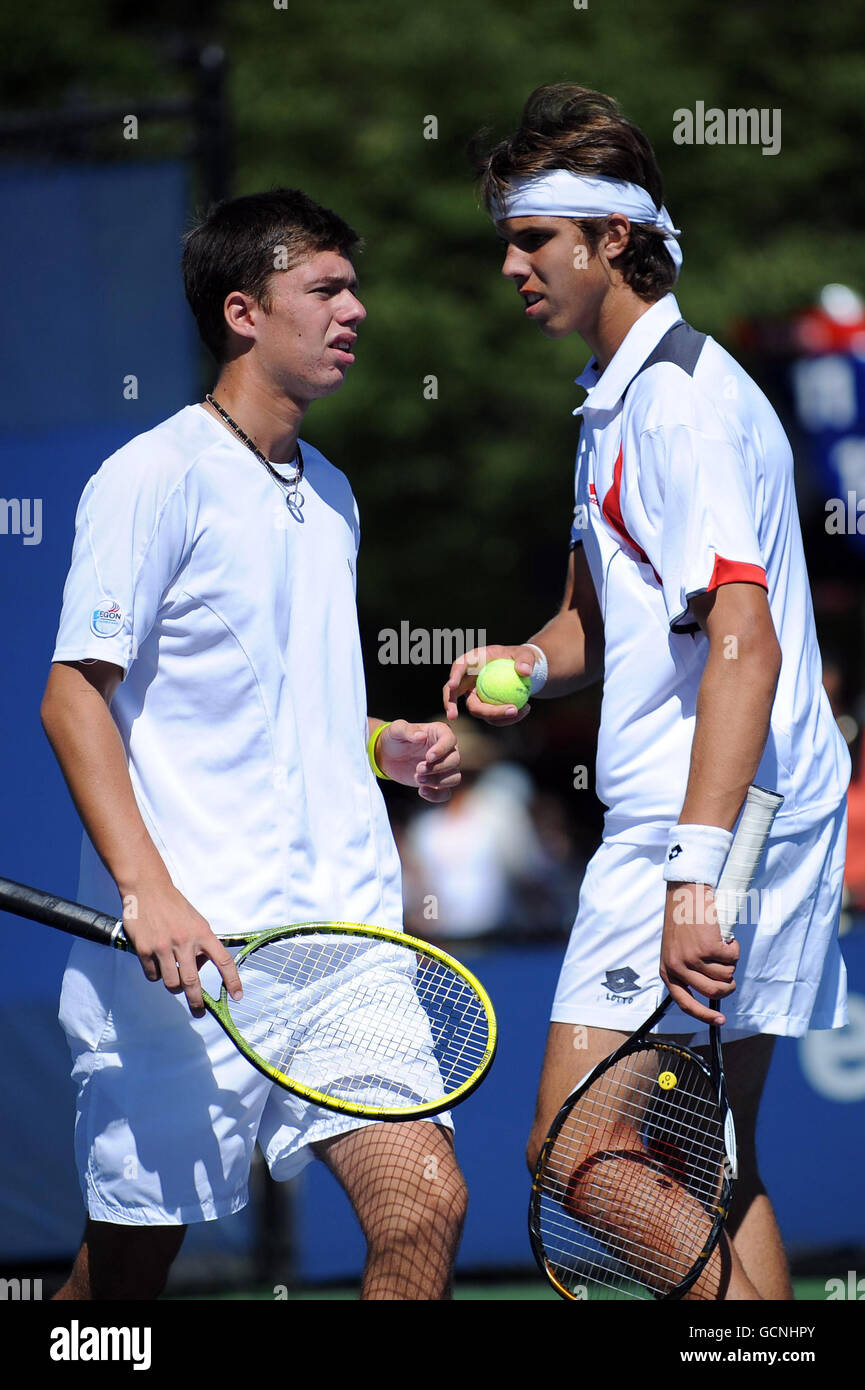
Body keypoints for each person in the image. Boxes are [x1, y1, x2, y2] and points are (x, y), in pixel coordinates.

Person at [445, 84, 851, 1300]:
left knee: (575, 1152)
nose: (511, 266)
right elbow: (598, 620)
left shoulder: (677, 403)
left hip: (717, 824)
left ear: (610, 240)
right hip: (711, 814)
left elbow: (746, 641)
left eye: (533, 240)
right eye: (507, 241)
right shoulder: (614, 395)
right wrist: (517, 662)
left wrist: (693, 870)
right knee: (697, 1161)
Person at [42, 188, 466, 1301]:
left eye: (353, 287)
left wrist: (384, 746)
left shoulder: (332, 496)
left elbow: (292, 705)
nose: (356, 311)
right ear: (243, 311)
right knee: (126, 1276)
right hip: (193, 961)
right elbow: (71, 699)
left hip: (347, 947)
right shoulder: (154, 475)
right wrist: (152, 895)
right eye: (325, 288)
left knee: (425, 1205)